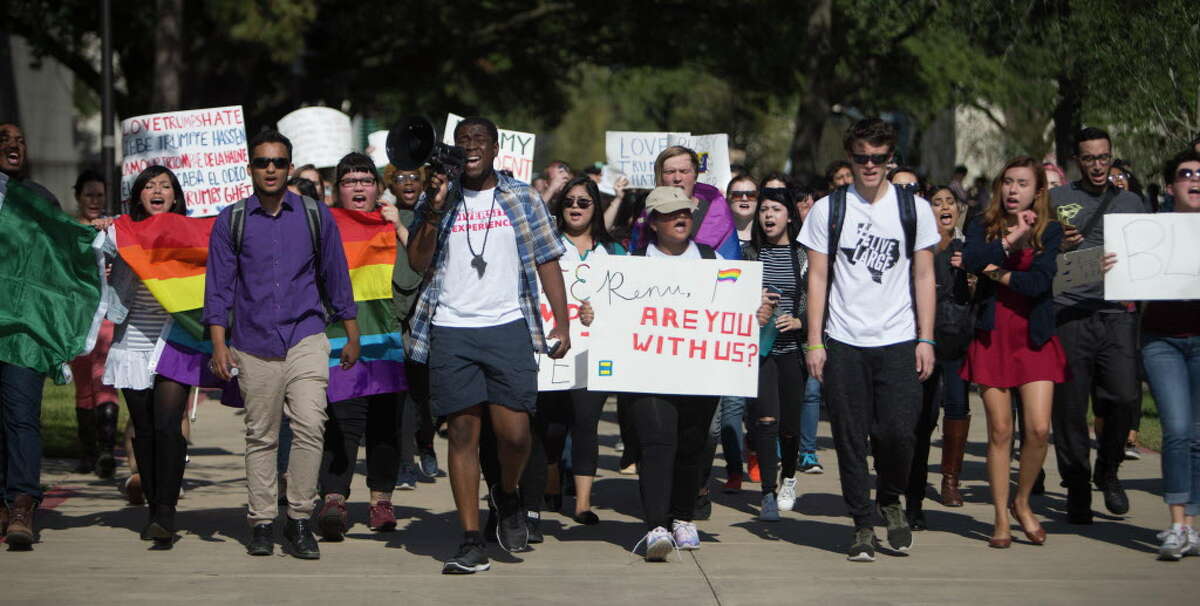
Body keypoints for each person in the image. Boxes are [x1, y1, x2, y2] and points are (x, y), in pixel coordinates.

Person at [406, 116, 570, 574]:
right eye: (463, 140)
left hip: (508, 326)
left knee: (515, 433)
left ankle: (508, 492)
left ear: (496, 149)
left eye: (480, 139)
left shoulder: (522, 197)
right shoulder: (439, 196)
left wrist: (562, 323)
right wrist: (435, 207)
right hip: (452, 328)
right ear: (454, 150)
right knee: (462, 434)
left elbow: (548, 260)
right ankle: (470, 538)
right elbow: (418, 263)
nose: (471, 146)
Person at [204, 130, 361, 560]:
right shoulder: (231, 219)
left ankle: (298, 520)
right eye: (262, 162)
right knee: (262, 434)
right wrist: (220, 345)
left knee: (311, 424)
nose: (270, 169)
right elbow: (217, 288)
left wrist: (351, 334)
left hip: (306, 336)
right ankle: (261, 521)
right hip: (252, 342)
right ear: (250, 168)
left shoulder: (315, 215)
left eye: (278, 162)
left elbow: (336, 275)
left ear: (289, 167)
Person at [800, 118, 939, 562]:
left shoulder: (912, 209)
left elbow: (923, 274)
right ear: (850, 157)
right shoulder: (829, 209)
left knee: (900, 432)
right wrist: (815, 341)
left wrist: (926, 338)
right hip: (843, 340)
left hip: (898, 339)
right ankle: (862, 522)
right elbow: (817, 276)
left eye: (878, 158)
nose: (870, 165)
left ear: (890, 158)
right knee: (849, 436)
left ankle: (892, 499)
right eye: (861, 157)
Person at [625, 186, 773, 561]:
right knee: (657, 444)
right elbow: (614, 314)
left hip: (699, 372)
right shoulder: (634, 262)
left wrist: (755, 315)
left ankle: (682, 517)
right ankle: (656, 526)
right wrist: (596, 314)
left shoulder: (712, 260)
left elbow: (736, 313)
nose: (681, 219)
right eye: (672, 213)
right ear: (653, 221)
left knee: (693, 445)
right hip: (649, 374)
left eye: (687, 213)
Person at [961, 157, 1068, 547]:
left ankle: (1023, 502)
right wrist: (1009, 242)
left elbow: (1039, 283)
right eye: (1007, 182)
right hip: (993, 337)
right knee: (1000, 431)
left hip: (1034, 336)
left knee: (1039, 429)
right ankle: (1001, 518)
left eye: (1022, 184)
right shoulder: (982, 225)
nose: (1012, 190)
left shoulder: (1051, 231)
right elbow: (970, 261)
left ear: (1038, 191)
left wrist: (996, 271)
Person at [313, 153, 416, 538]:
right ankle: (334, 499)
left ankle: (380, 501)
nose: (358, 186)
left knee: (385, 426)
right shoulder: (323, 223)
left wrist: (401, 227)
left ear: (378, 188)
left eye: (366, 180)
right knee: (342, 423)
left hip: (388, 339)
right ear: (337, 190)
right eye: (350, 181)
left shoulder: (395, 221)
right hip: (338, 338)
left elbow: (423, 268)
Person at [1050, 127, 1146, 524]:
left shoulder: (1132, 202)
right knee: (1070, 407)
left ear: (1112, 157)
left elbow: (1147, 253)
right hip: (1070, 312)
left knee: (1123, 397)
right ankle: (1076, 486)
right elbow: (1040, 255)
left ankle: (1108, 470)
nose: (1097, 165)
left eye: (1103, 157)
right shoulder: (1057, 199)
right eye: (1089, 158)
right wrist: (1061, 245)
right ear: (1077, 160)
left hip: (1117, 314)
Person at [102, 165, 195, 548]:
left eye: (166, 186)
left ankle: (166, 513)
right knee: (145, 428)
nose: (158, 190)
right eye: (150, 186)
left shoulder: (192, 234)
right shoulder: (122, 231)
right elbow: (89, 248)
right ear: (138, 195)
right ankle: (154, 507)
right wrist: (103, 228)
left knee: (169, 426)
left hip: (177, 339)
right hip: (133, 343)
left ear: (176, 196)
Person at [543, 176, 626, 525]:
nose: (575, 208)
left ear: (596, 208)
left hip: (595, 356)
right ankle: (550, 485)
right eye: (569, 202)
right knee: (551, 426)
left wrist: (602, 312)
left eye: (584, 202)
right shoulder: (545, 248)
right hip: (550, 352)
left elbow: (628, 305)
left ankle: (582, 503)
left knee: (586, 425)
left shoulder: (615, 253)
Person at [1, 122, 62, 547]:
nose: (13, 145)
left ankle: (23, 503)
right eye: (4, 139)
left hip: (25, 330)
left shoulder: (40, 200)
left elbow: (63, 258)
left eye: (20, 139)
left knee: (22, 416)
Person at [1141, 149, 1200, 560]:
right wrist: (1114, 266)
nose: (1195, 179)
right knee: (1177, 430)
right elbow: (1128, 285)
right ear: (1170, 186)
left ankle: (1193, 525)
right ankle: (1178, 524)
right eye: (1186, 173)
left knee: (1198, 435)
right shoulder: (1146, 230)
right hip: (1162, 339)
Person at [906, 186, 972, 524]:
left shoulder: (968, 248)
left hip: (959, 345)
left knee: (958, 409)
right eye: (937, 203)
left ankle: (950, 481)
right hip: (924, 343)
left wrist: (974, 273)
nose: (944, 208)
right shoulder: (920, 249)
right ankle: (913, 496)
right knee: (924, 419)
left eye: (950, 202)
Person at [744, 187, 808, 520]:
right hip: (761, 352)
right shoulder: (749, 254)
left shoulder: (804, 255)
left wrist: (800, 320)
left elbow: (818, 297)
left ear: (789, 216)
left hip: (793, 351)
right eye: (764, 209)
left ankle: (789, 478)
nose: (769, 216)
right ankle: (767, 491)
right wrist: (755, 310)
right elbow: (733, 300)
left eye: (776, 209)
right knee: (765, 422)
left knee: (790, 427)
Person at [382, 164, 439, 485]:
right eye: (400, 179)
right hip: (394, 309)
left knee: (423, 392)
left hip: (426, 308)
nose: (407, 184)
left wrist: (399, 227)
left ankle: (426, 445)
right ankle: (405, 462)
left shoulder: (431, 216)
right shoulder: (384, 215)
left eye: (414, 178)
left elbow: (425, 258)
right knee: (401, 392)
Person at [68, 170, 120, 476]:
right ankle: (88, 452)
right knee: (83, 384)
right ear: (77, 197)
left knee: (104, 380)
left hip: (107, 316)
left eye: (99, 195)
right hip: (78, 318)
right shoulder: (67, 231)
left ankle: (105, 452)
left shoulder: (113, 229)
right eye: (89, 194)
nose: (94, 201)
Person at [727, 174, 758, 246]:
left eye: (751, 195)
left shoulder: (768, 237)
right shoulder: (719, 238)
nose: (744, 199)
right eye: (737, 195)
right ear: (727, 200)